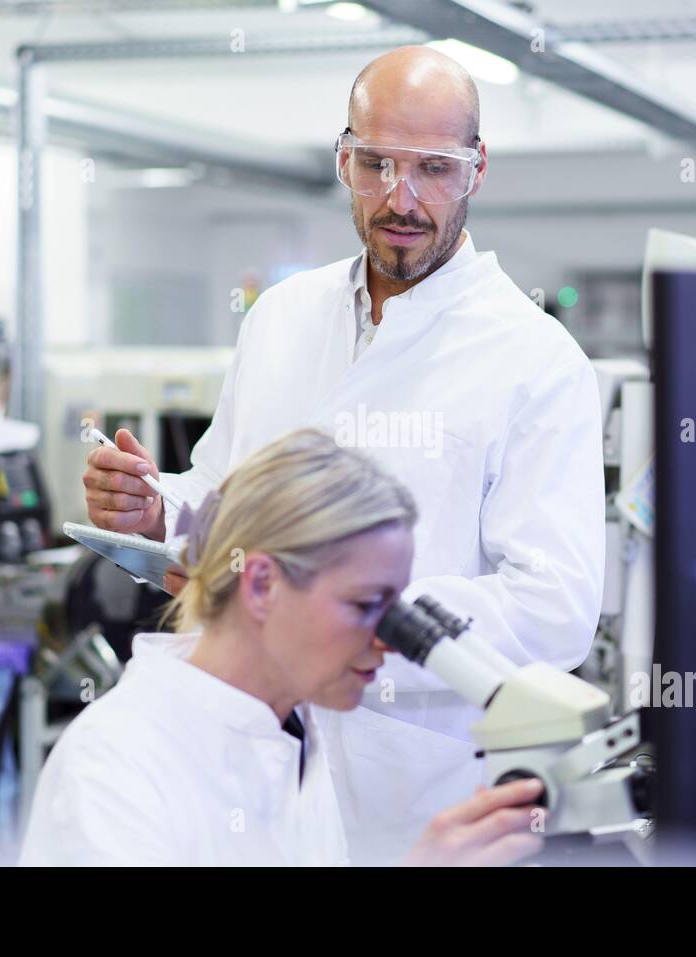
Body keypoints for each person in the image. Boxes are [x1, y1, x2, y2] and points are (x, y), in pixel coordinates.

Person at [83, 45, 605, 860]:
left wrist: (359, 616)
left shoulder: (535, 361)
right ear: (342, 158)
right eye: (375, 164)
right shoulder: (282, 318)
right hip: (251, 739)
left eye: (434, 168)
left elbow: (555, 608)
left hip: (416, 772)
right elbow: (229, 496)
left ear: (477, 169)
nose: (401, 197)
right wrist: (160, 506)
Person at [21, 430, 546, 866]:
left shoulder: (293, 734)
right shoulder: (115, 769)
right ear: (261, 585)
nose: (388, 641)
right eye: (367, 606)